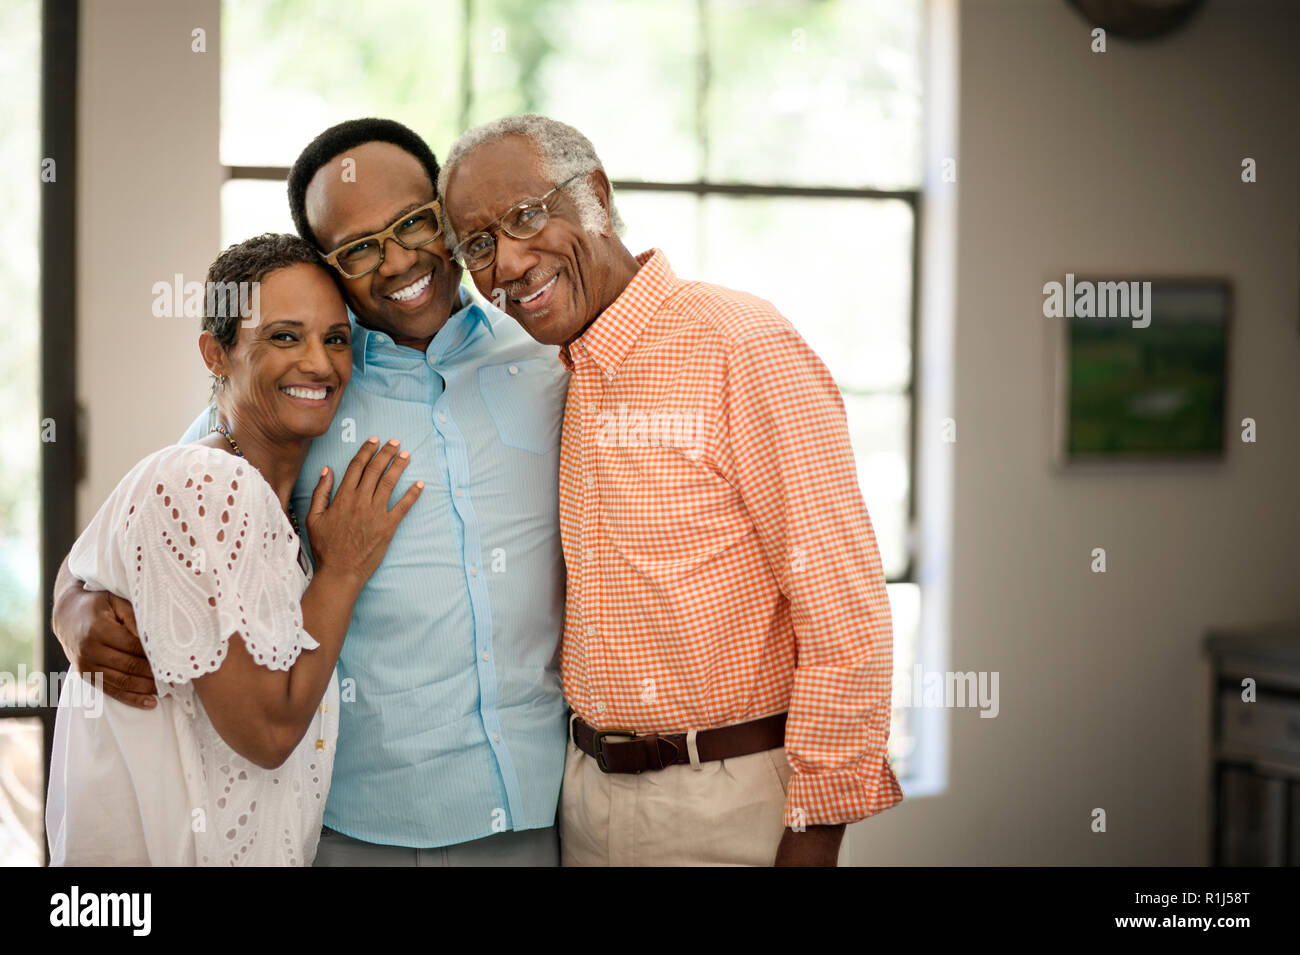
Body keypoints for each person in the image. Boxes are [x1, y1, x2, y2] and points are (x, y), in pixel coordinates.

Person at [51, 119, 571, 866]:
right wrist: (72, 606)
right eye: (359, 248)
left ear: (446, 218)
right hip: (349, 829)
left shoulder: (549, 362)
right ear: (332, 266)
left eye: (413, 224)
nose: (396, 261)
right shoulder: (307, 387)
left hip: (528, 818)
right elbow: (152, 508)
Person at [439, 114, 904, 866]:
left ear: (593, 195)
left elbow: (844, 616)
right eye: (479, 245)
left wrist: (814, 837)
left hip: (724, 803)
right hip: (584, 799)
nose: (508, 264)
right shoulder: (558, 373)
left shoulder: (740, 344)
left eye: (526, 217)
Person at [47, 233, 421, 865]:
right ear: (215, 353)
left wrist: (70, 600)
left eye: (335, 339)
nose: (320, 364)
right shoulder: (205, 481)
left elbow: (82, 565)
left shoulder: (248, 494)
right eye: (283, 336)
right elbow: (266, 733)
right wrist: (345, 570)